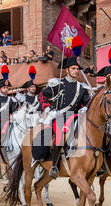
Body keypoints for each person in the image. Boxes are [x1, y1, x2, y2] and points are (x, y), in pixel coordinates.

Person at [39, 41, 91, 179]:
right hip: (60, 117)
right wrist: (49, 108)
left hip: (76, 117)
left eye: (77, 69)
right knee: (60, 135)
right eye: (73, 68)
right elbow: (43, 96)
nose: (76, 71)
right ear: (67, 69)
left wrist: (85, 107)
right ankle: (55, 166)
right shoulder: (58, 84)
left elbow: (86, 102)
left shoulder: (82, 87)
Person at [0, 65, 19, 163]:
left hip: (8, 122)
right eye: (4, 88)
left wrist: (12, 115)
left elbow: (14, 110)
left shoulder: (11, 99)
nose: (6, 89)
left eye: (7, 88)